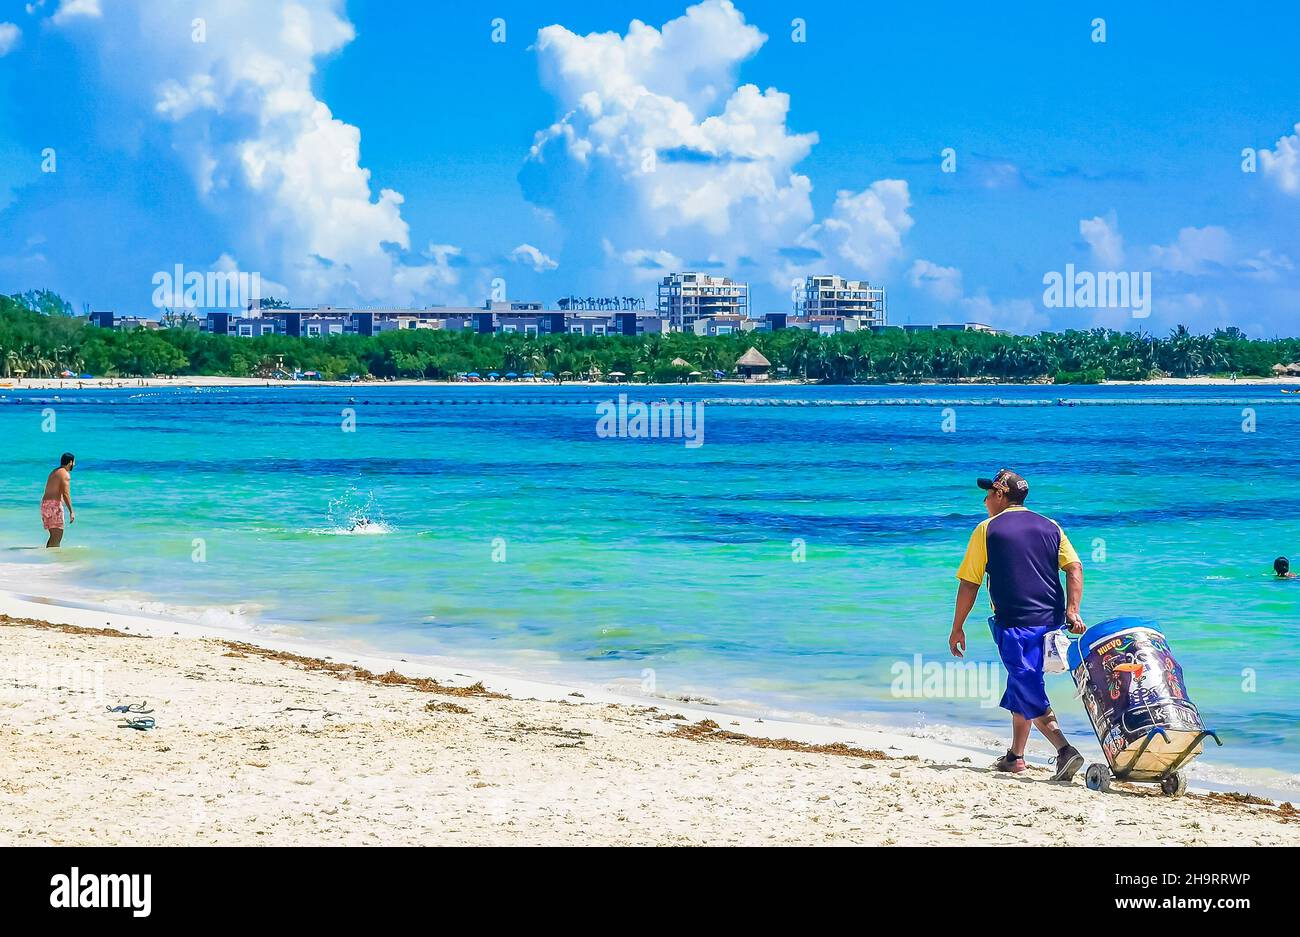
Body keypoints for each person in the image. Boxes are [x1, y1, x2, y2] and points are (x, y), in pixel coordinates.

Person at [949, 469, 1087, 781]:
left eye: (988, 494)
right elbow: (1074, 567)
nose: (984, 500)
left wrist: (957, 627)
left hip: (1014, 623)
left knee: (1026, 683)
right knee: (1021, 680)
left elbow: (969, 583)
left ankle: (1064, 749)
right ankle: (1015, 756)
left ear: (1000, 495)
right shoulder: (1051, 526)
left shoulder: (987, 529)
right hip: (1052, 625)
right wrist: (1073, 611)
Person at [41, 452, 76, 548]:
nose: (74, 465)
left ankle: (49, 557)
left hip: (45, 505)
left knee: (53, 536)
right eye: (74, 462)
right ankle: (52, 561)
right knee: (57, 536)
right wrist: (71, 511)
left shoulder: (54, 471)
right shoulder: (65, 474)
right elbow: (66, 493)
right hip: (54, 505)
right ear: (70, 462)